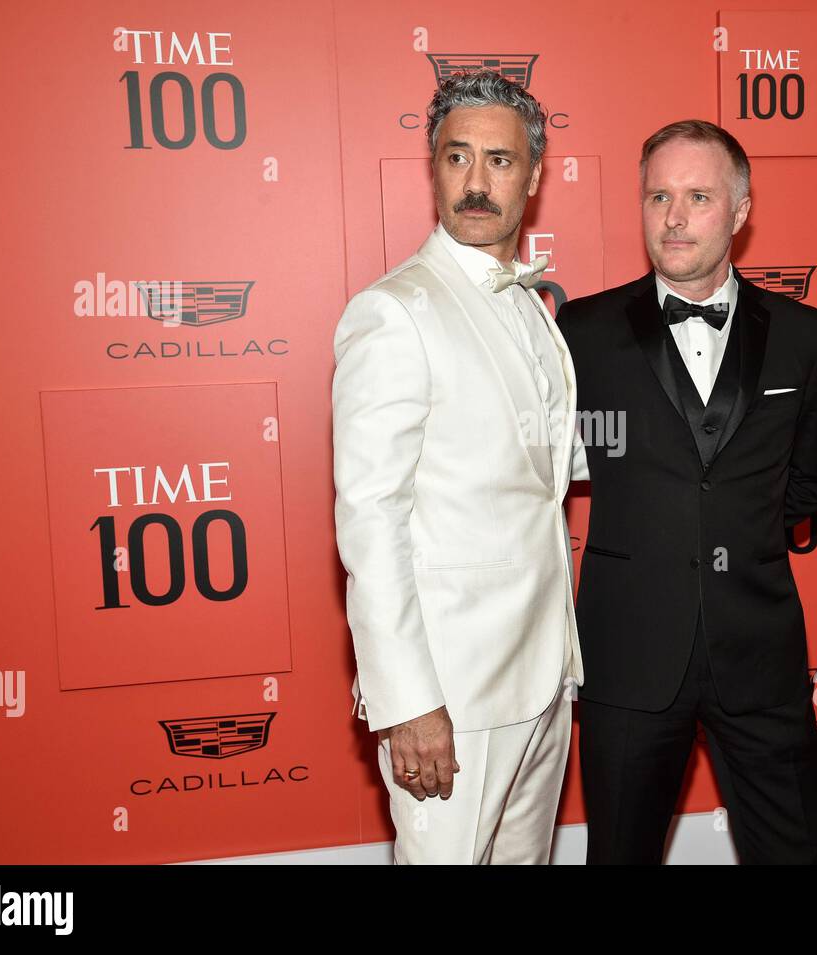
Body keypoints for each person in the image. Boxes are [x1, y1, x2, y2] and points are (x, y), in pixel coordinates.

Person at [559, 119, 817, 864]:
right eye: (657, 196)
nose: (674, 217)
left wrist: (735, 540)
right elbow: (540, 468)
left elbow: (813, 476)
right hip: (628, 652)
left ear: (740, 212)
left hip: (759, 650)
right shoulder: (581, 331)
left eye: (697, 196)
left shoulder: (803, 335)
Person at [331, 70, 585, 864]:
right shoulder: (395, 311)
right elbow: (369, 523)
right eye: (457, 158)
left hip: (544, 677)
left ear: (535, 175)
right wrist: (409, 702)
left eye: (501, 162)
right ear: (433, 166)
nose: (476, 184)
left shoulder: (534, 305)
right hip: (453, 697)